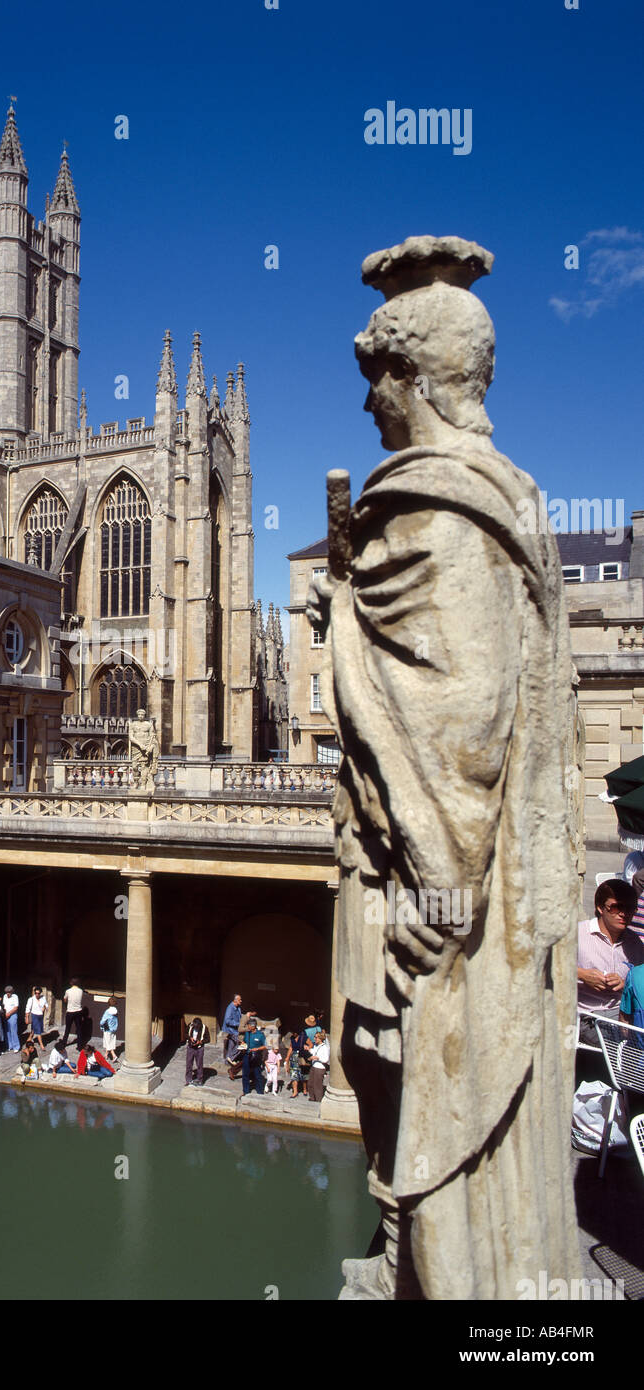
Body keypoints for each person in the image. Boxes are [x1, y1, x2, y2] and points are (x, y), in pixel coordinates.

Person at [313, 234, 582, 1298]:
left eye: (374, 378)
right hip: (489, 887)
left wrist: (433, 881)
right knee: (438, 1128)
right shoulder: (506, 493)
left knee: (449, 1121)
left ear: (410, 378)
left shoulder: (437, 504)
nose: (369, 402)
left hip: (455, 897)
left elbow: (457, 724)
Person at [577, 879, 644, 1043]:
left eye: (630, 909)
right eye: (616, 907)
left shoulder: (634, 943)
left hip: (621, 1013)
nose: (623, 913)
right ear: (601, 908)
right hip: (586, 1016)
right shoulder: (578, 933)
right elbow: (544, 966)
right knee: (626, 1045)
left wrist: (626, 983)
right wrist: (582, 974)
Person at [241, 1014, 267, 1096]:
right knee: (245, 1074)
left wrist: (257, 1049)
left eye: (248, 1025)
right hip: (247, 1055)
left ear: (253, 1026)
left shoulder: (260, 1035)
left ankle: (260, 1091)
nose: (247, 1027)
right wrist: (242, 1044)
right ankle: (246, 1091)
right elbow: (245, 1042)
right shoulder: (247, 1034)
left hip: (256, 1056)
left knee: (257, 1074)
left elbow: (265, 1046)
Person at [306, 1031, 330, 1103]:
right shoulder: (316, 1045)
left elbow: (326, 1059)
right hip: (314, 1066)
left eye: (316, 1037)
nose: (314, 1038)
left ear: (320, 1038)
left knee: (317, 1085)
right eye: (314, 1037)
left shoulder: (324, 1047)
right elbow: (314, 1051)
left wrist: (317, 1058)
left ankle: (318, 1099)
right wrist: (308, 1049)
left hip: (319, 1068)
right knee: (310, 1083)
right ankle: (312, 1098)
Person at [184, 1017, 208, 1086]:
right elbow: (185, 1034)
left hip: (199, 1049)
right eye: (195, 1027)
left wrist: (200, 1042)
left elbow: (208, 1039)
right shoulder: (190, 1026)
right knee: (189, 1064)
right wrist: (190, 1038)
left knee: (199, 1064)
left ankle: (200, 1079)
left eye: (197, 1027)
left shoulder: (204, 1028)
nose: (196, 1028)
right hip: (190, 1048)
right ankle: (188, 1080)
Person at [63, 978, 84, 1047]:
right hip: (78, 1011)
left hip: (70, 1011)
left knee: (68, 1028)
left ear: (71, 983)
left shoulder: (68, 991)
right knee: (79, 1028)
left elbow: (65, 999)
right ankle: (79, 1045)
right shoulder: (81, 991)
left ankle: (64, 1043)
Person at [221, 994, 243, 1062]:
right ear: (235, 1000)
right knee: (239, 1045)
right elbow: (227, 1021)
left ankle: (229, 1059)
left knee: (232, 1045)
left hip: (236, 1030)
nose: (241, 1001)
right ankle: (230, 1058)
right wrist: (238, 1024)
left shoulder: (238, 1007)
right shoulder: (230, 1008)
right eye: (240, 1000)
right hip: (232, 1031)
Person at [100, 998, 120, 1064]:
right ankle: (106, 1055)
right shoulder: (116, 1011)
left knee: (108, 1042)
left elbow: (102, 1021)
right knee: (111, 1041)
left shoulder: (107, 1012)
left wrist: (101, 1024)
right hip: (114, 1029)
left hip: (107, 1029)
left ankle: (114, 1056)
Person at [3, 985, 21, 1051]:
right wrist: (5, 1014)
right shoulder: (4, 996)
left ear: (12, 992)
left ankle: (16, 1046)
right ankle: (9, 1045)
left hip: (12, 1015)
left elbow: (15, 1008)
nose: (8, 993)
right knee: (7, 1031)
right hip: (6, 1015)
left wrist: (9, 1014)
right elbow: (4, 1005)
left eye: (9, 992)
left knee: (13, 1031)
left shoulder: (15, 997)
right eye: (7, 992)